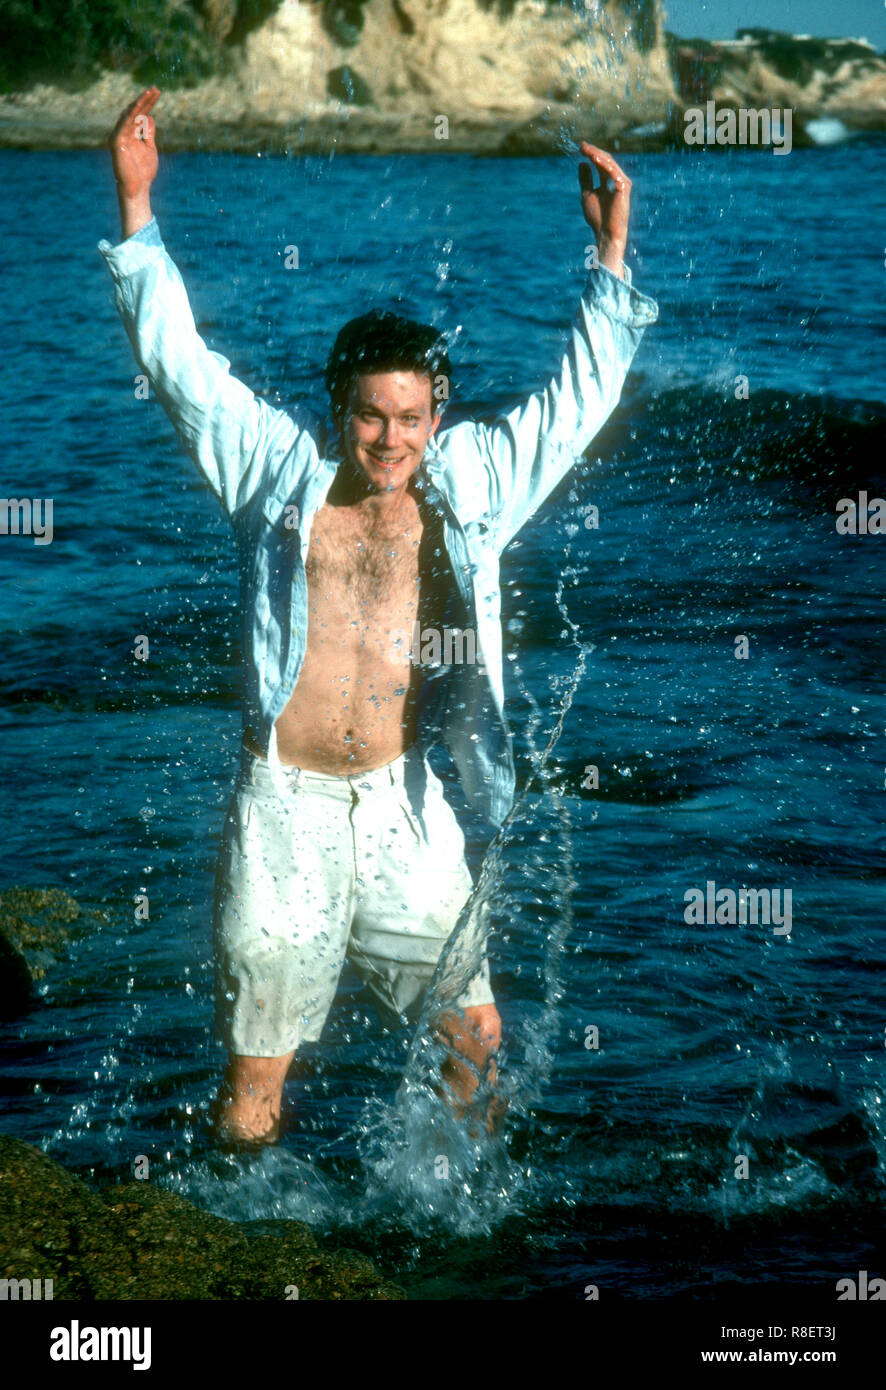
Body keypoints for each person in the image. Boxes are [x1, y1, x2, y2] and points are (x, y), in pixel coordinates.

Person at [100, 86, 658, 1149]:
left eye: (410, 417)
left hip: (407, 802)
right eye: (369, 415)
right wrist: (137, 211)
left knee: (476, 1037)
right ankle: (231, 1243)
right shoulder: (274, 475)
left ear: (435, 416)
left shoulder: (476, 483)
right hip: (286, 803)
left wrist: (611, 258)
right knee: (259, 1068)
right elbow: (180, 369)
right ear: (336, 409)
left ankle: (455, 1225)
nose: (390, 440)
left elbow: (579, 397)